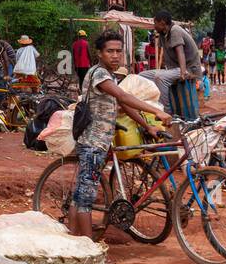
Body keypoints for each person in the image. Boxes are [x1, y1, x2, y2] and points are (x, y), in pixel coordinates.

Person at [70, 30, 173, 239]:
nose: (115, 55)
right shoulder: (98, 74)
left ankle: (73, 242)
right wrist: (156, 111)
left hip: (102, 142)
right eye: (110, 51)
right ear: (99, 53)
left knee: (80, 195)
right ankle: (90, 250)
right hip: (92, 142)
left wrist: (147, 125)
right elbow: (123, 96)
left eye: (118, 51)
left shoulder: (109, 75)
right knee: (85, 198)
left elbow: (123, 105)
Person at [140, 11, 202, 119]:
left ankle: (166, 112)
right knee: (142, 75)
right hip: (174, 69)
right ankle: (146, 107)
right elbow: (164, 55)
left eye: (155, 23)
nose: (154, 26)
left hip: (188, 69)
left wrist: (183, 72)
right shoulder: (163, 34)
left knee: (160, 78)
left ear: (163, 23)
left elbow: (180, 52)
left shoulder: (175, 30)